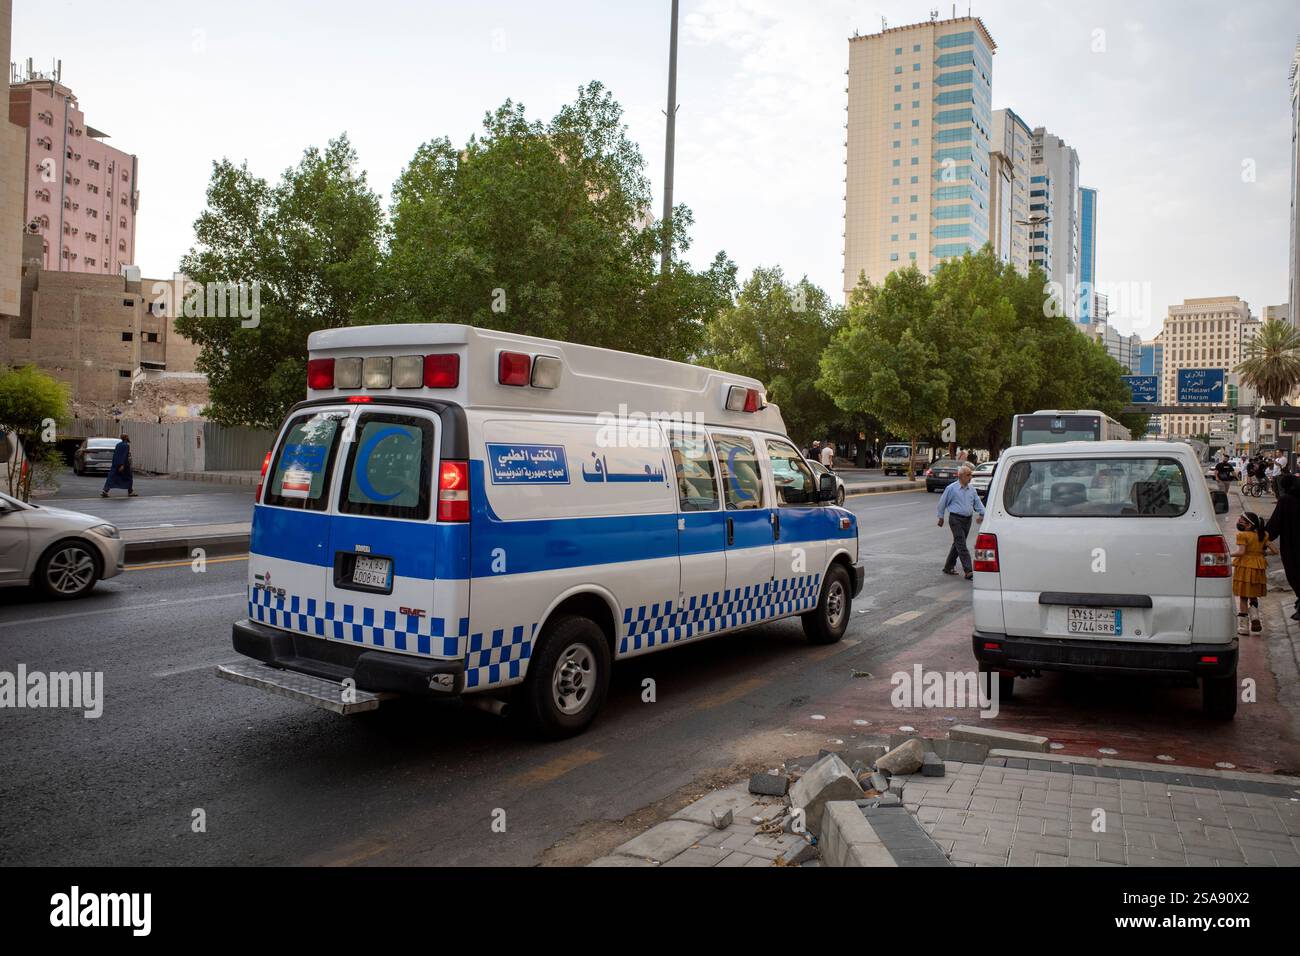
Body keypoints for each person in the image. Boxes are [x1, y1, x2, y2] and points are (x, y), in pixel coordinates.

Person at [936, 463, 984, 580]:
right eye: (968, 475)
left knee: (957, 543)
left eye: (971, 475)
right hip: (955, 519)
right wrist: (941, 517)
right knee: (961, 544)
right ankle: (968, 571)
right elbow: (942, 503)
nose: (970, 477)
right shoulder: (951, 488)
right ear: (961, 476)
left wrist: (983, 514)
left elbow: (978, 503)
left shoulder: (971, 489)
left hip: (967, 520)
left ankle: (948, 566)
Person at [1231, 511, 1275, 635]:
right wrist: (1263, 553)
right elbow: (1276, 551)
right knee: (1253, 594)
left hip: (1245, 566)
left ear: (1249, 525)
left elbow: (1241, 552)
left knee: (1243, 597)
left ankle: (1244, 627)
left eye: (1241, 521)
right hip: (1258, 567)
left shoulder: (1243, 535)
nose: (1238, 523)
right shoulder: (1263, 535)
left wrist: (1227, 554)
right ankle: (1255, 616)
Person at [1265, 474, 1300, 621]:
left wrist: (1262, 537)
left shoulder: (1286, 500)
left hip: (1293, 547)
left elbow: (1274, 525)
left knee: (1296, 575)